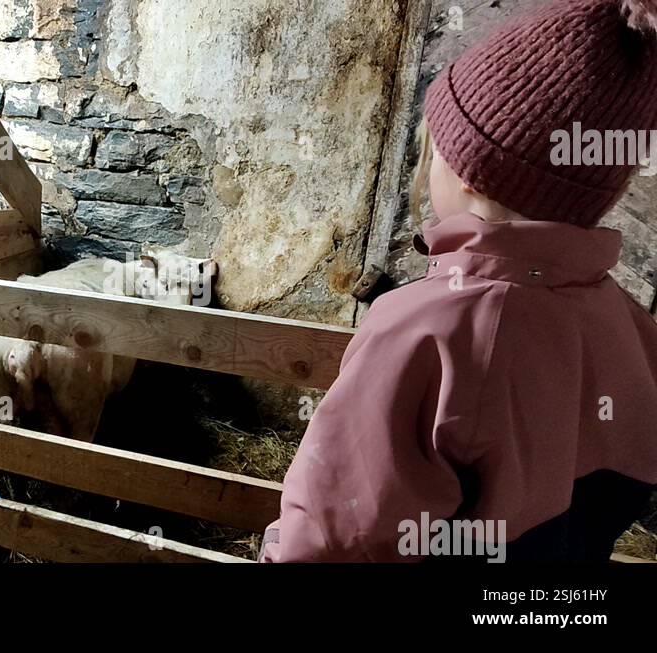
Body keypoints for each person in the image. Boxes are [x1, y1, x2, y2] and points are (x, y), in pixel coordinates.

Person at [261, 0, 657, 562]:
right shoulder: (631, 328)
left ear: (471, 173)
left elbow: (333, 535)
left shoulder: (422, 330)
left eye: (437, 149)